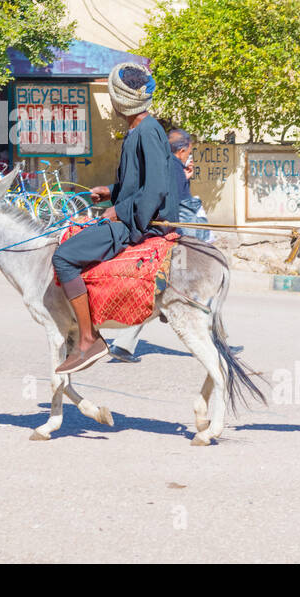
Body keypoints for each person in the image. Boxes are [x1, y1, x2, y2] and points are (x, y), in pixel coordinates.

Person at [50, 63, 177, 375]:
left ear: (122, 101)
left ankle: (89, 339)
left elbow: (157, 188)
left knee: (63, 257)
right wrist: (111, 190)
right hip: (130, 214)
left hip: (134, 224)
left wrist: (119, 211)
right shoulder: (141, 130)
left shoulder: (147, 132)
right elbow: (139, 184)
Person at [110, 127, 211, 363]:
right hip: (175, 238)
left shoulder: (171, 167)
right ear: (183, 150)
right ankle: (218, 341)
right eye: (189, 152)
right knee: (173, 290)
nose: (189, 157)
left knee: (158, 291)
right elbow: (172, 202)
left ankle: (123, 343)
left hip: (166, 238)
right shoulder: (171, 168)